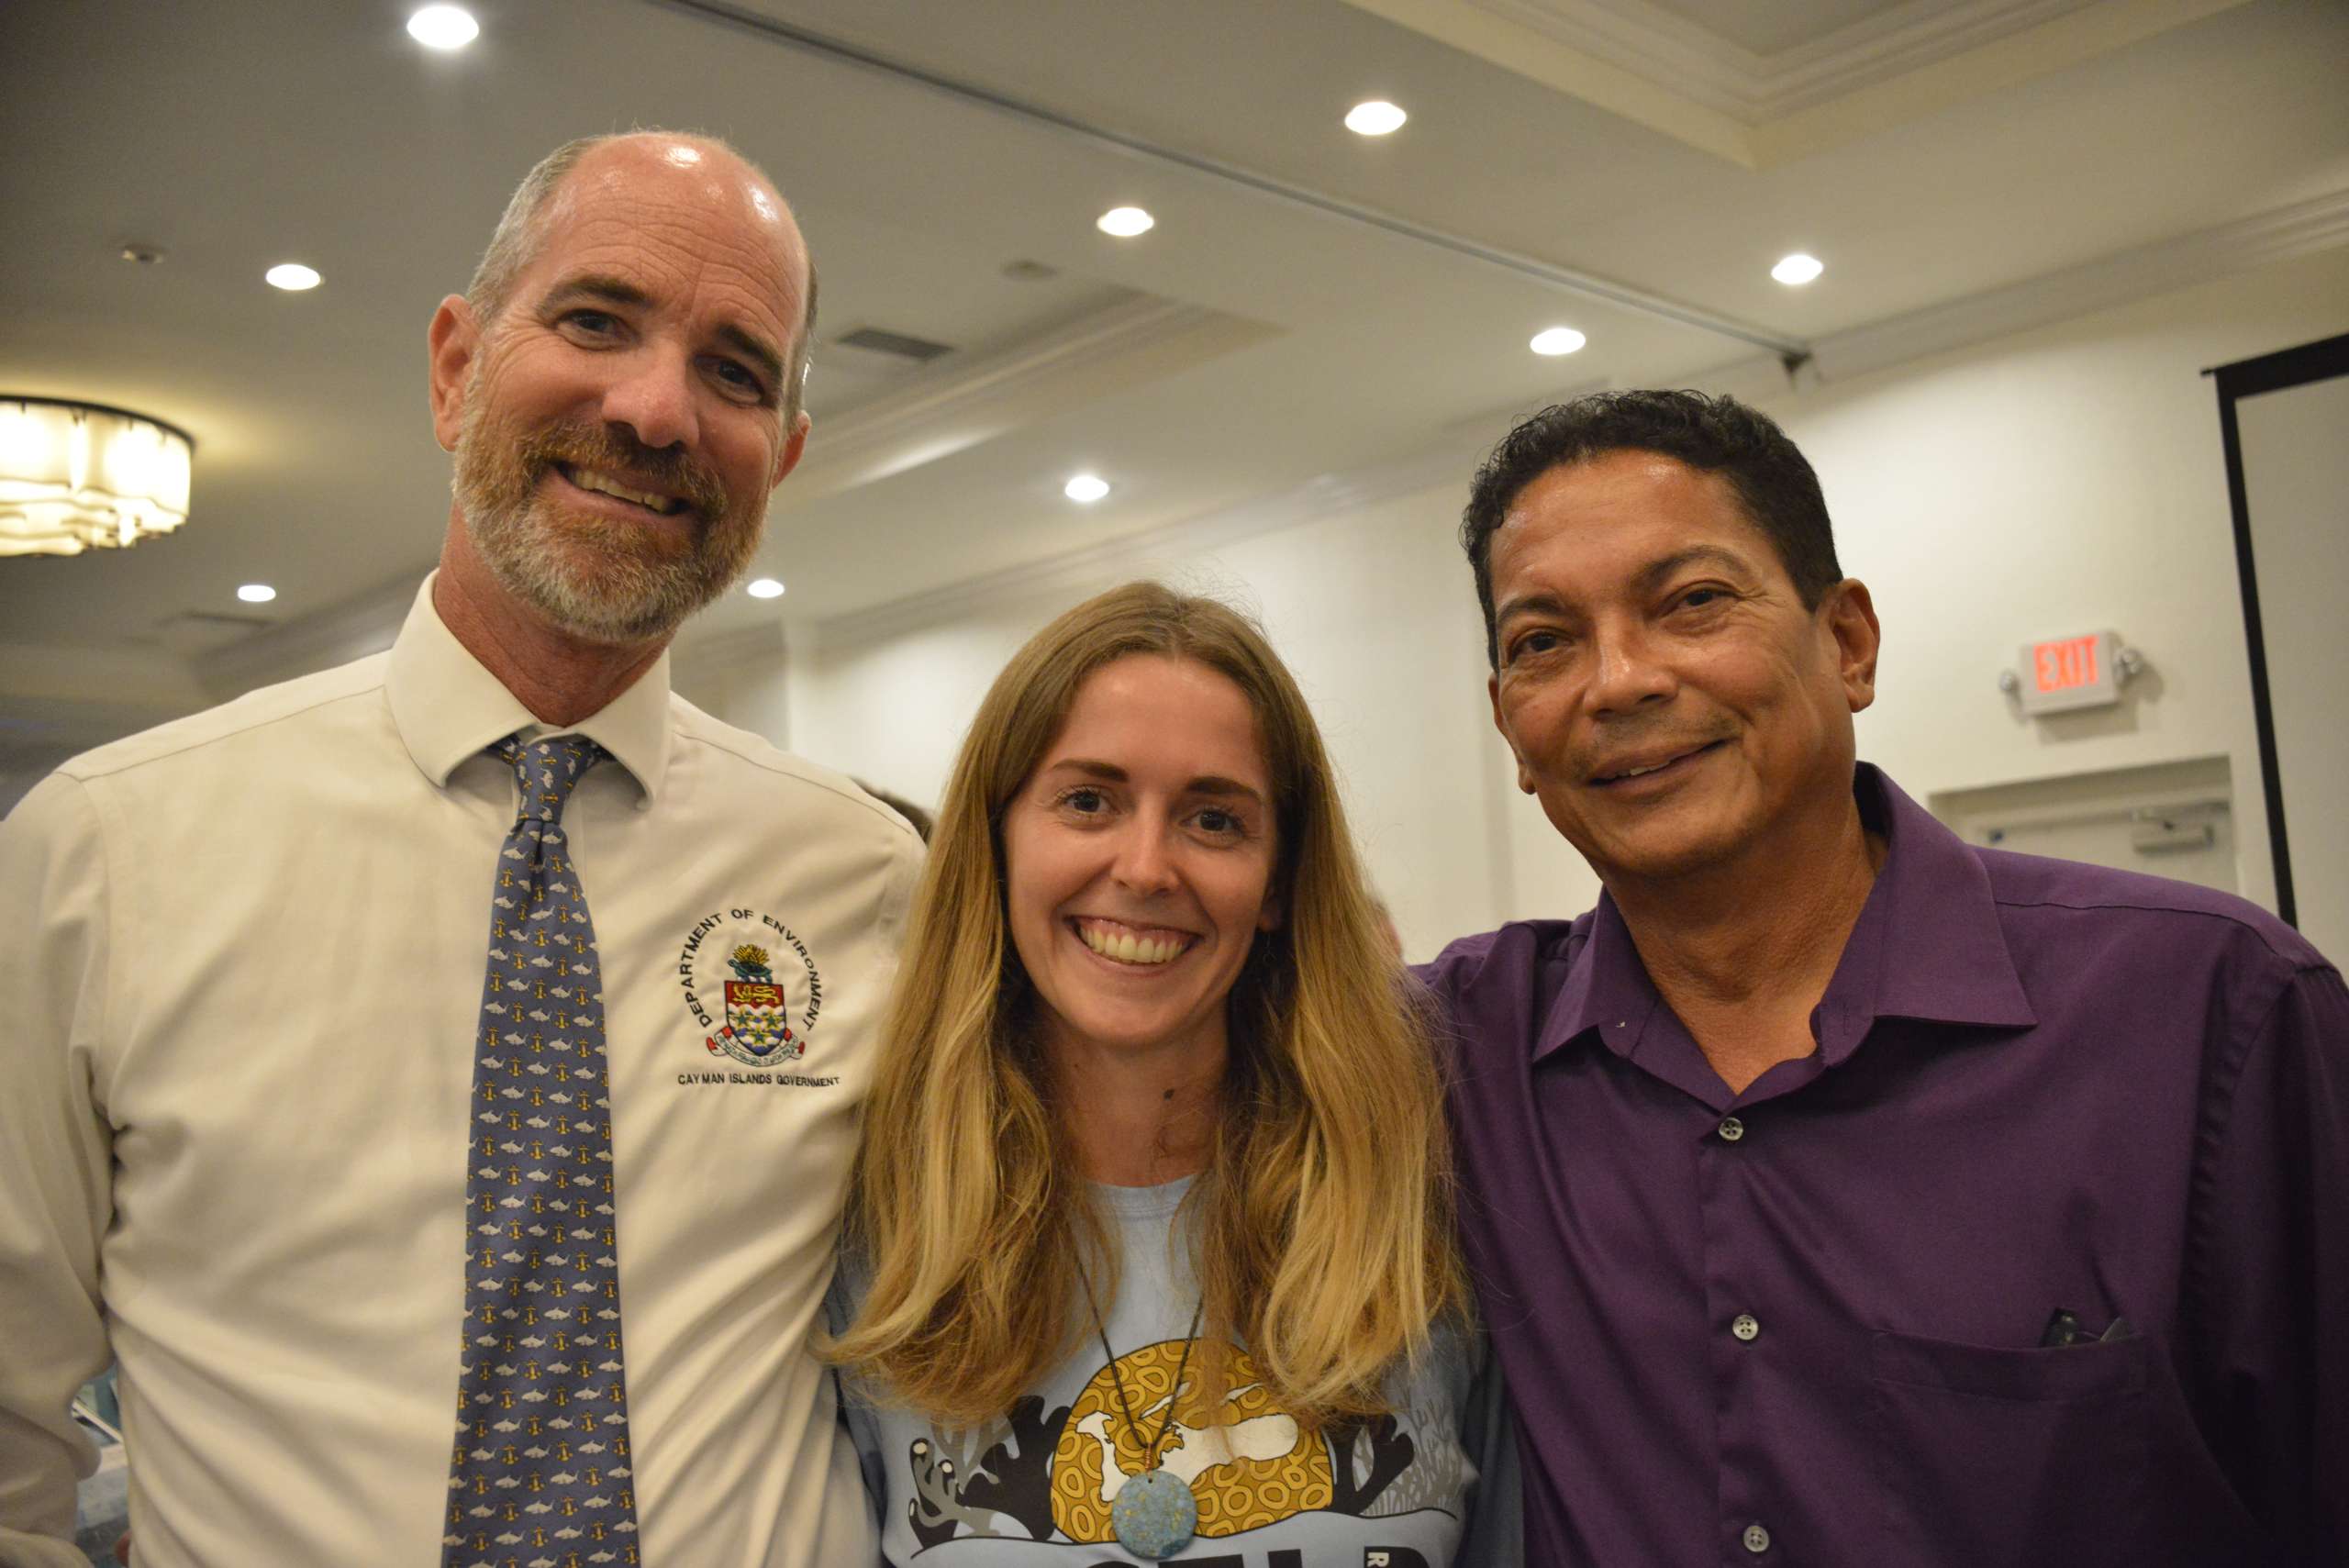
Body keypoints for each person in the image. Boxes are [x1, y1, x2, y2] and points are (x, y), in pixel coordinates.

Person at [0, 131, 920, 1567]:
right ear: (454, 368)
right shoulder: (106, 857)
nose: (657, 408)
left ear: (782, 457)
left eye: (737, 372)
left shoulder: (869, 881)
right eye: (596, 319)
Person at [1420, 388, 2349, 1566]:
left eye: (1691, 601)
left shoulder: (2211, 1011)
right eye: (1542, 642)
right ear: (1509, 725)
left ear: (1847, 642)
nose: (1617, 680)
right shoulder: (1459, 1054)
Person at [828, 582, 1516, 1565]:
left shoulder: (1417, 1199)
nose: (1147, 867)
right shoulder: (876, 1232)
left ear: (1277, 880)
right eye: (1088, 801)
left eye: (1214, 819)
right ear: (997, 841)